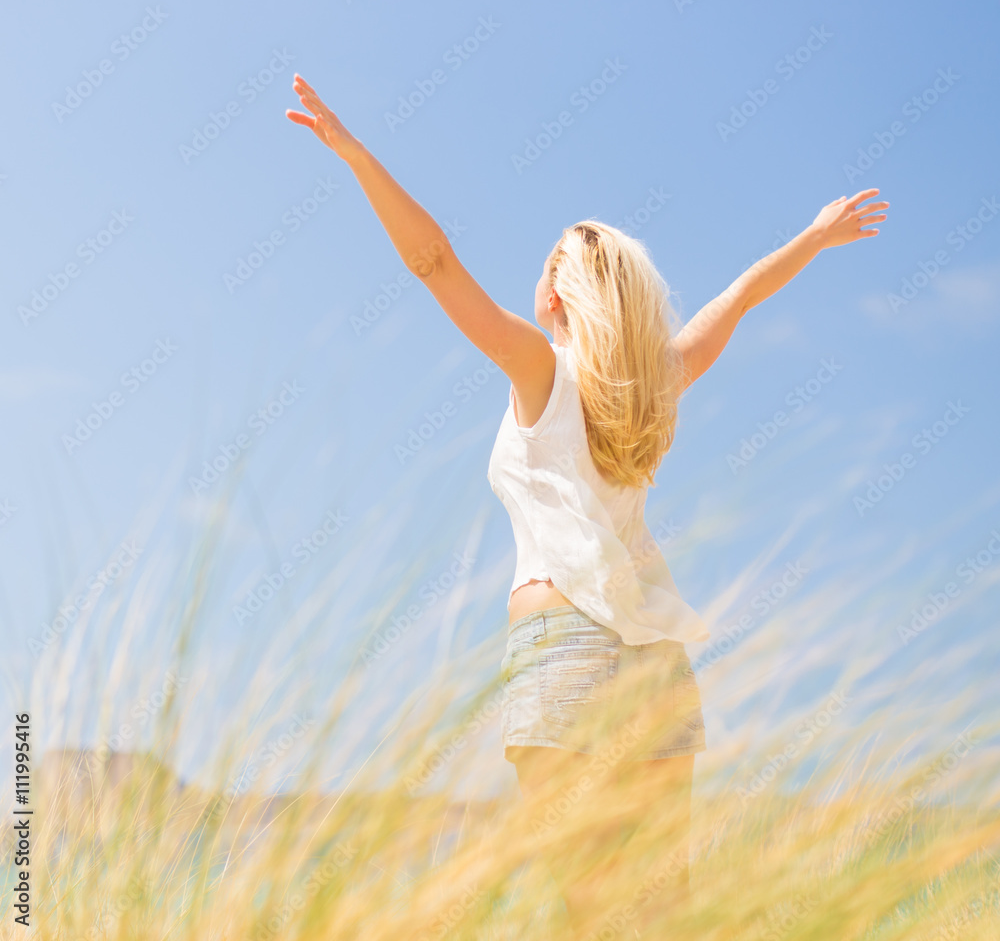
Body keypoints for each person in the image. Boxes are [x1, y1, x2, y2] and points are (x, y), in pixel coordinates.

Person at [285, 73, 889, 935]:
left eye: (544, 268)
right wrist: (815, 237)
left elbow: (433, 262)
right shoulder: (657, 385)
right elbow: (740, 298)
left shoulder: (540, 369)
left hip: (565, 645)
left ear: (557, 295)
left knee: (586, 909)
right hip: (655, 660)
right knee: (661, 909)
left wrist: (354, 156)